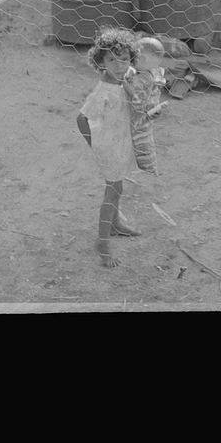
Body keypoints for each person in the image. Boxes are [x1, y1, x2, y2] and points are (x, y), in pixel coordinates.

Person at [77, 27, 143, 268]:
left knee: (118, 187)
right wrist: (95, 146)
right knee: (112, 190)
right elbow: (81, 119)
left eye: (124, 59)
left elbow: (130, 74)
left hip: (120, 141)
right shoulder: (102, 92)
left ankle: (115, 224)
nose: (118, 65)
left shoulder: (120, 78)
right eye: (111, 60)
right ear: (100, 61)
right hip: (108, 147)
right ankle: (103, 244)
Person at [124, 36, 168, 175]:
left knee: (141, 148)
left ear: (142, 59)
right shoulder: (152, 71)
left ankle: (148, 173)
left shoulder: (144, 79)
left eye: (134, 56)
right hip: (144, 118)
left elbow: (136, 100)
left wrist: (121, 81)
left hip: (138, 121)